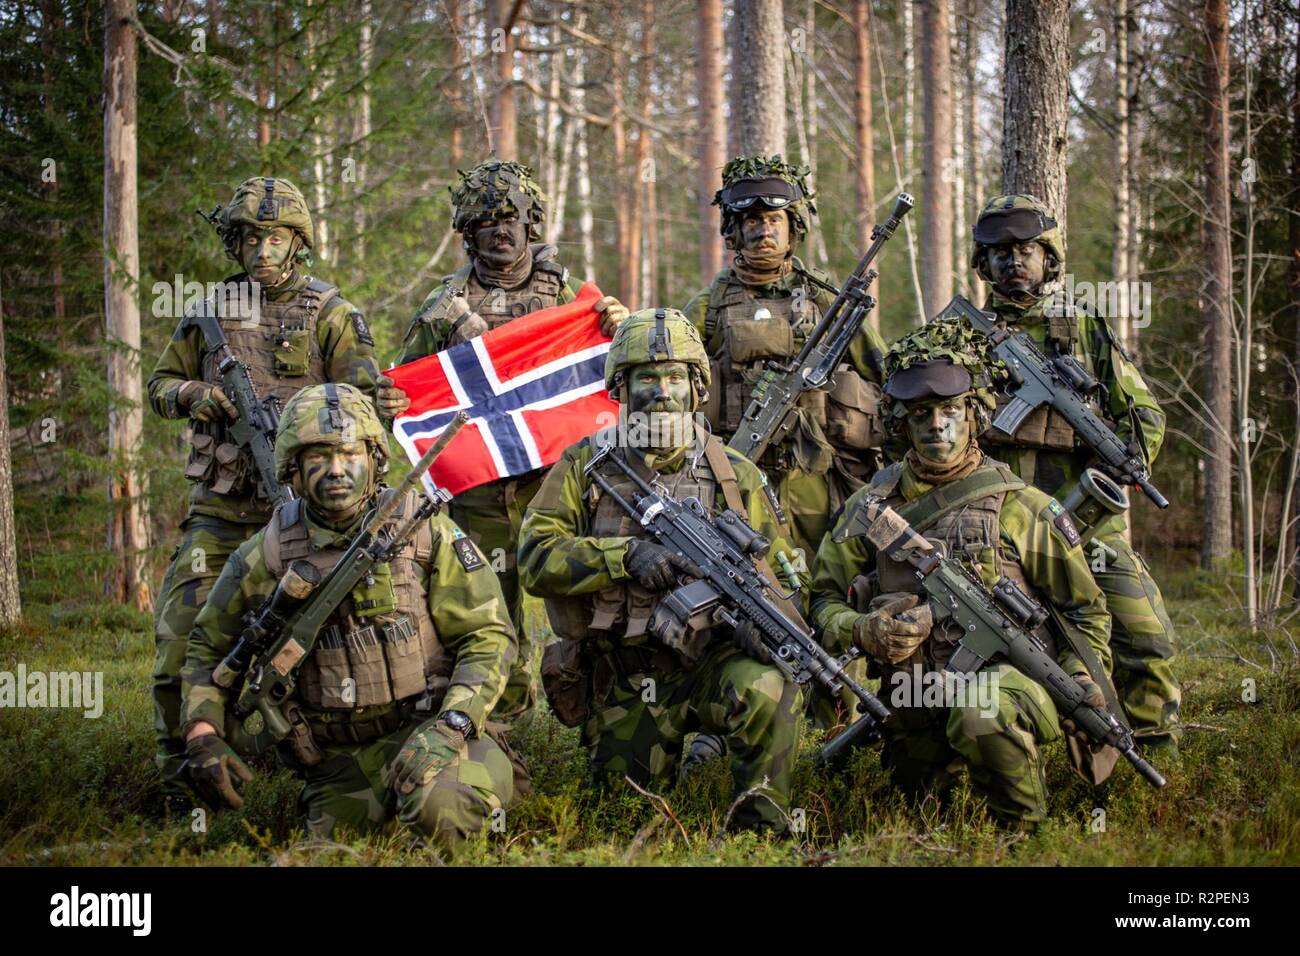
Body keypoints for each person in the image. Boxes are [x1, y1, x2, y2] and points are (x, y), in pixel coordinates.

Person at [147, 177, 402, 807]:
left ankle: (331, 767)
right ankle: (189, 770)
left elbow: (365, 407)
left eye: (277, 237)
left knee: (328, 633)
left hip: (308, 516)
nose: (263, 250)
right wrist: (194, 396)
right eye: (252, 238)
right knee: (184, 633)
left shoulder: (333, 315)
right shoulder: (208, 314)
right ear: (236, 243)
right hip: (223, 511)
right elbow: (160, 385)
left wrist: (388, 404)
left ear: (299, 242)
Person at [181, 384, 519, 850]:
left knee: (443, 811)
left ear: (375, 459)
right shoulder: (267, 553)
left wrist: (455, 723)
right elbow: (207, 648)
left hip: (435, 732)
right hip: (338, 761)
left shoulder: (423, 531)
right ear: (293, 469)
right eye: (318, 457)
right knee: (327, 857)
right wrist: (202, 732)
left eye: (348, 453)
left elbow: (489, 636)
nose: (337, 471)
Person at [811, 317, 1116, 828]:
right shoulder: (869, 509)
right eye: (922, 413)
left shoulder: (1022, 508)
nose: (937, 425)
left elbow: (1083, 608)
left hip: (1011, 688)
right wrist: (863, 629)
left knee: (983, 708)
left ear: (973, 416)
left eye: (951, 410)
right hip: (914, 696)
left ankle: (1026, 840)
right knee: (912, 813)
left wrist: (1083, 675)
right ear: (900, 423)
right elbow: (821, 602)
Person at [517, 309, 803, 832]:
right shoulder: (586, 466)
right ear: (621, 388)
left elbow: (779, 577)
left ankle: (762, 836)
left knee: (768, 687)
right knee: (623, 822)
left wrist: (771, 627)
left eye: (675, 377)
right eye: (646, 377)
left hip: (714, 664)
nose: (661, 390)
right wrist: (623, 558)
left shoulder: (734, 475)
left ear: (696, 388)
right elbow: (535, 558)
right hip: (627, 674)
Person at [391, 158, 629, 721]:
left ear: (531, 223)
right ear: (467, 231)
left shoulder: (574, 302)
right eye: (486, 219)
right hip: (478, 495)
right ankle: (499, 736)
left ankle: (600, 722)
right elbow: (410, 393)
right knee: (489, 616)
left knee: (586, 612)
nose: (501, 229)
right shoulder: (442, 307)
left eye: (512, 217)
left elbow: (622, 374)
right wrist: (387, 400)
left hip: (557, 491)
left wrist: (623, 330)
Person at [969, 193, 1180, 756]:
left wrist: (1130, 452)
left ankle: (1152, 754)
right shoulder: (960, 339)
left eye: (1027, 251)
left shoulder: (1083, 329)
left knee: (1146, 637)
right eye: (1001, 253)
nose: (1015, 262)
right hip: (999, 531)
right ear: (982, 264)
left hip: (1085, 523)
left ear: (1050, 259)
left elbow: (1144, 411)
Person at [681, 154, 888, 568]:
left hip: (814, 471)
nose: (763, 231)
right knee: (750, 571)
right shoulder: (709, 305)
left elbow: (880, 371)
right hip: (736, 467)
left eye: (774, 220)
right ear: (735, 231)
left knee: (824, 569)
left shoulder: (823, 299)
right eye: (752, 222)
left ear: (793, 228)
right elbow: (676, 381)